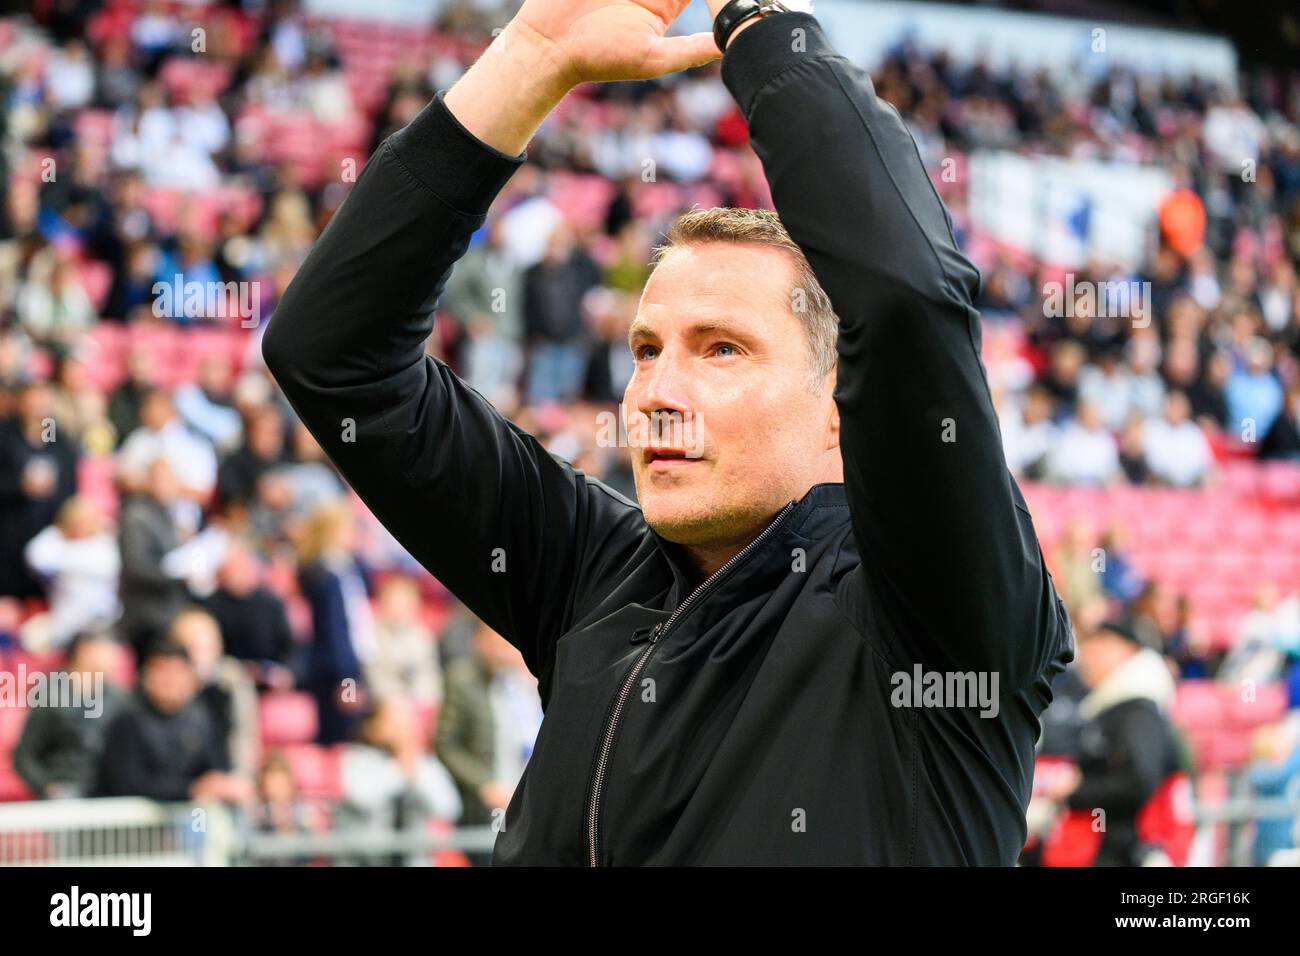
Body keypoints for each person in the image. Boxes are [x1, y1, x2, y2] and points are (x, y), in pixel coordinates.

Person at [262, 0, 1073, 865]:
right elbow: (333, 357)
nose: (656, 392)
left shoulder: (935, 611)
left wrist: (762, 25)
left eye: (722, 349)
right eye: (646, 349)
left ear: (844, 405)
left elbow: (907, 300)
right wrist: (532, 59)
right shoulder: (591, 569)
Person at [1041, 621, 1183, 866]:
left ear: (1128, 651)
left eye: (1099, 649)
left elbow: (1139, 781)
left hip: (1125, 852)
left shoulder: (1137, 711)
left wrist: (1076, 790)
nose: (1087, 659)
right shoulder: (1111, 707)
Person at [93, 640, 254, 805]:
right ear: (145, 675)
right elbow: (127, 784)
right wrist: (190, 790)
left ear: (191, 677)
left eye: (177, 672)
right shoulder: (126, 721)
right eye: (161, 671)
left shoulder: (203, 719)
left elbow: (214, 772)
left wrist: (220, 785)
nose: (169, 680)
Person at [435, 617, 543, 864]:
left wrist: (532, 682)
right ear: (478, 641)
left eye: (507, 640)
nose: (502, 646)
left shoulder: (525, 681)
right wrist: (484, 783)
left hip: (528, 796)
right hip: (487, 801)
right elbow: (446, 744)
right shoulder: (461, 679)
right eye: (494, 639)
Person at [337, 697, 462, 866]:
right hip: (367, 861)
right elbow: (362, 797)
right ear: (372, 727)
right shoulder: (357, 759)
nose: (403, 732)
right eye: (395, 724)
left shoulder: (423, 764)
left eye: (407, 725)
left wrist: (416, 773)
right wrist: (401, 770)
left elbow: (449, 809)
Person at [13, 630, 127, 799]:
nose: (114, 657)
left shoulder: (117, 698)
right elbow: (24, 756)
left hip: (106, 792)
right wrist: (47, 787)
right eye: (106, 650)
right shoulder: (50, 695)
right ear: (84, 650)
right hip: (65, 792)